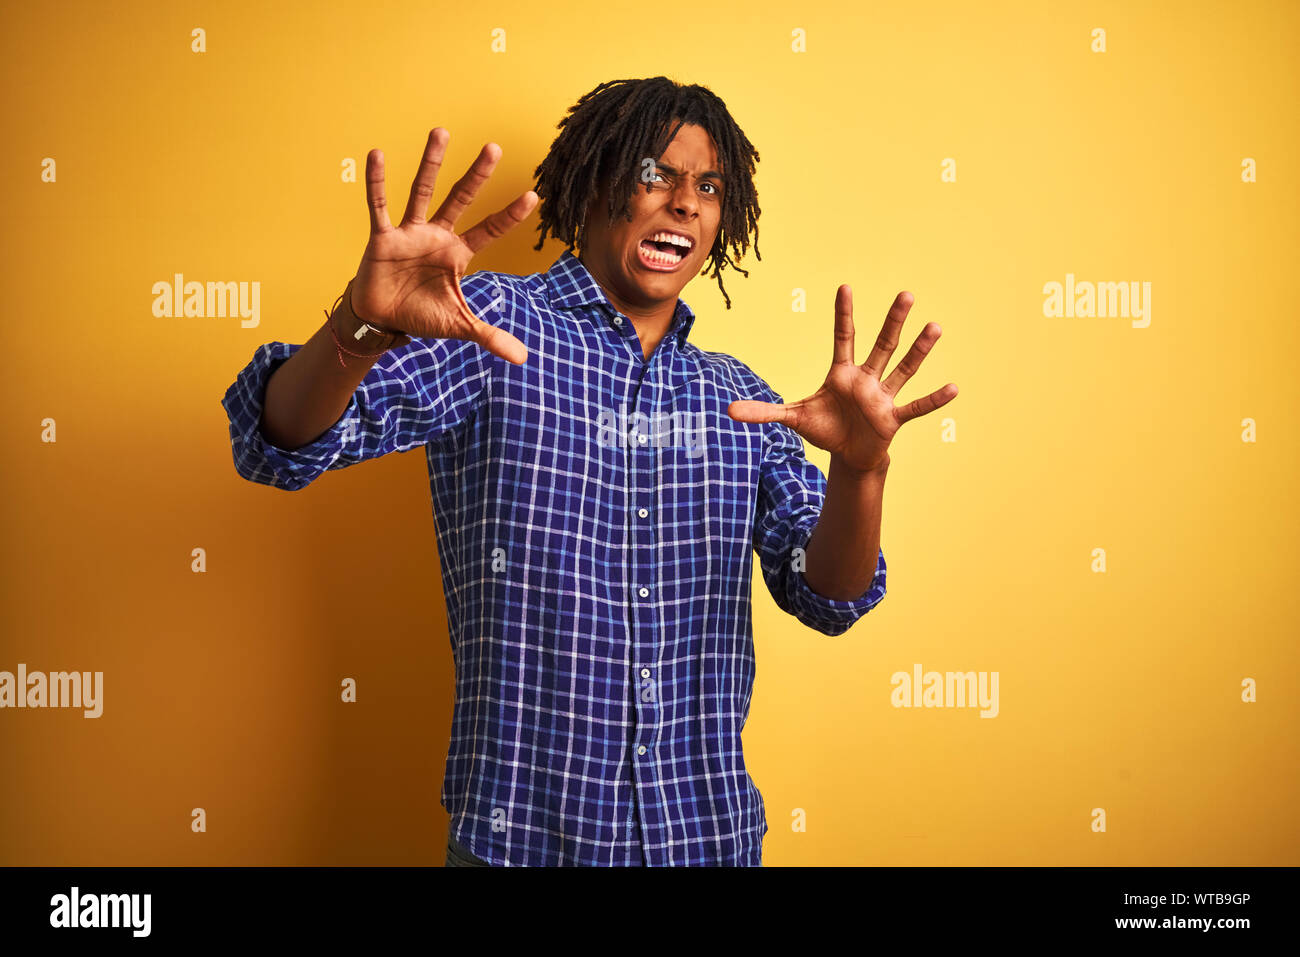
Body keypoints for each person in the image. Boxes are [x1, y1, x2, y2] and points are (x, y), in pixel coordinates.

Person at [221, 76, 957, 867]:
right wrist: (359, 327)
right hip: (522, 846)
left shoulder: (745, 399)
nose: (684, 202)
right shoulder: (488, 326)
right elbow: (278, 444)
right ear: (596, 179)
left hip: (707, 842)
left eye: (707, 187)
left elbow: (829, 597)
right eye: (654, 173)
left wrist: (860, 472)